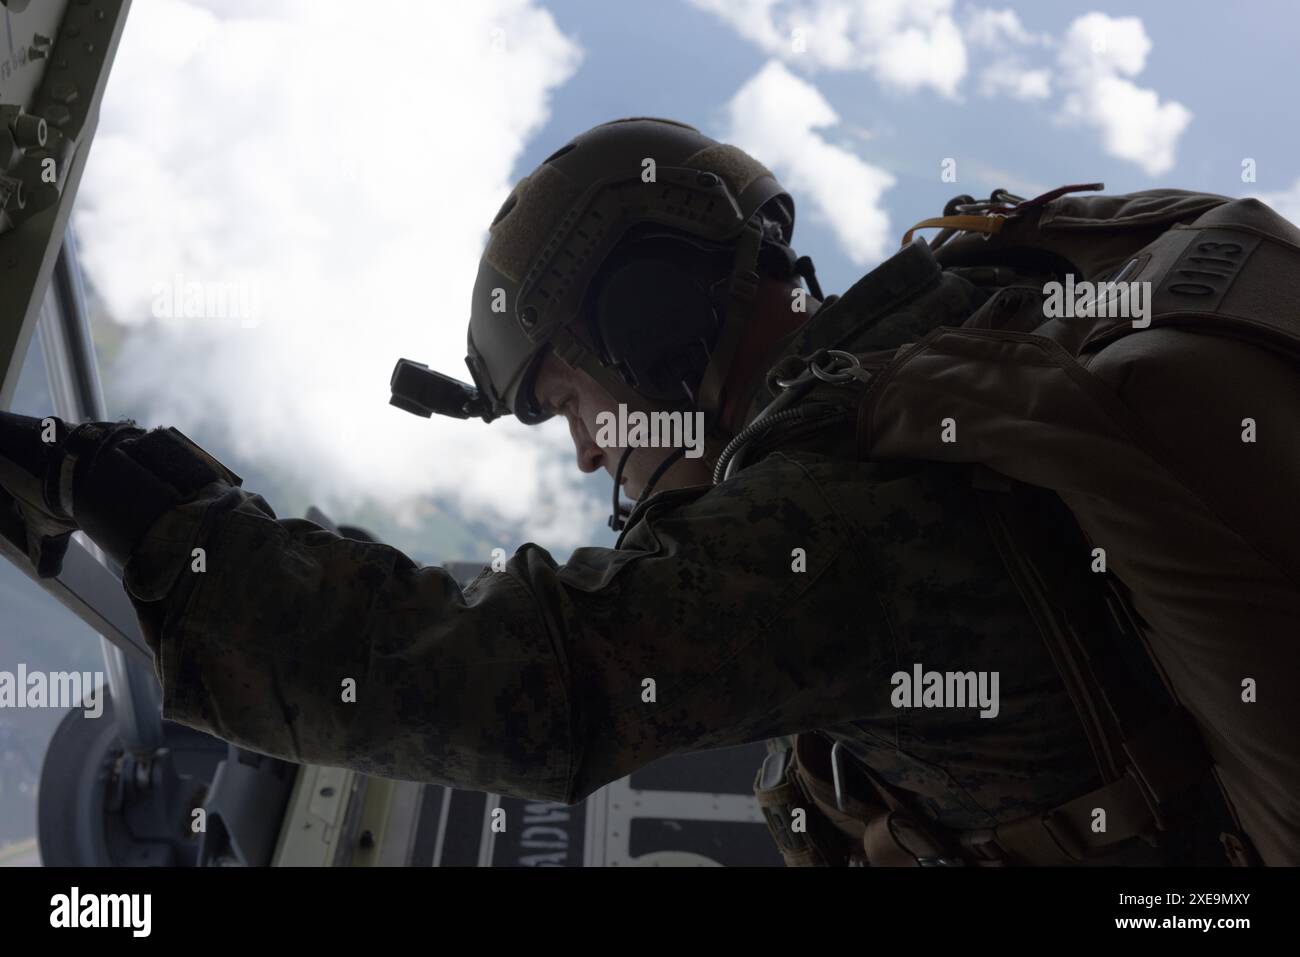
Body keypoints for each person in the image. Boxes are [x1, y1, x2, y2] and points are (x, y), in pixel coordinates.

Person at [2, 118, 1296, 866]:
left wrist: (150, 511)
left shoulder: (863, 502)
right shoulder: (980, 352)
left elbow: (525, 689)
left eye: (566, 397)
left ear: (650, 317)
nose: (581, 453)